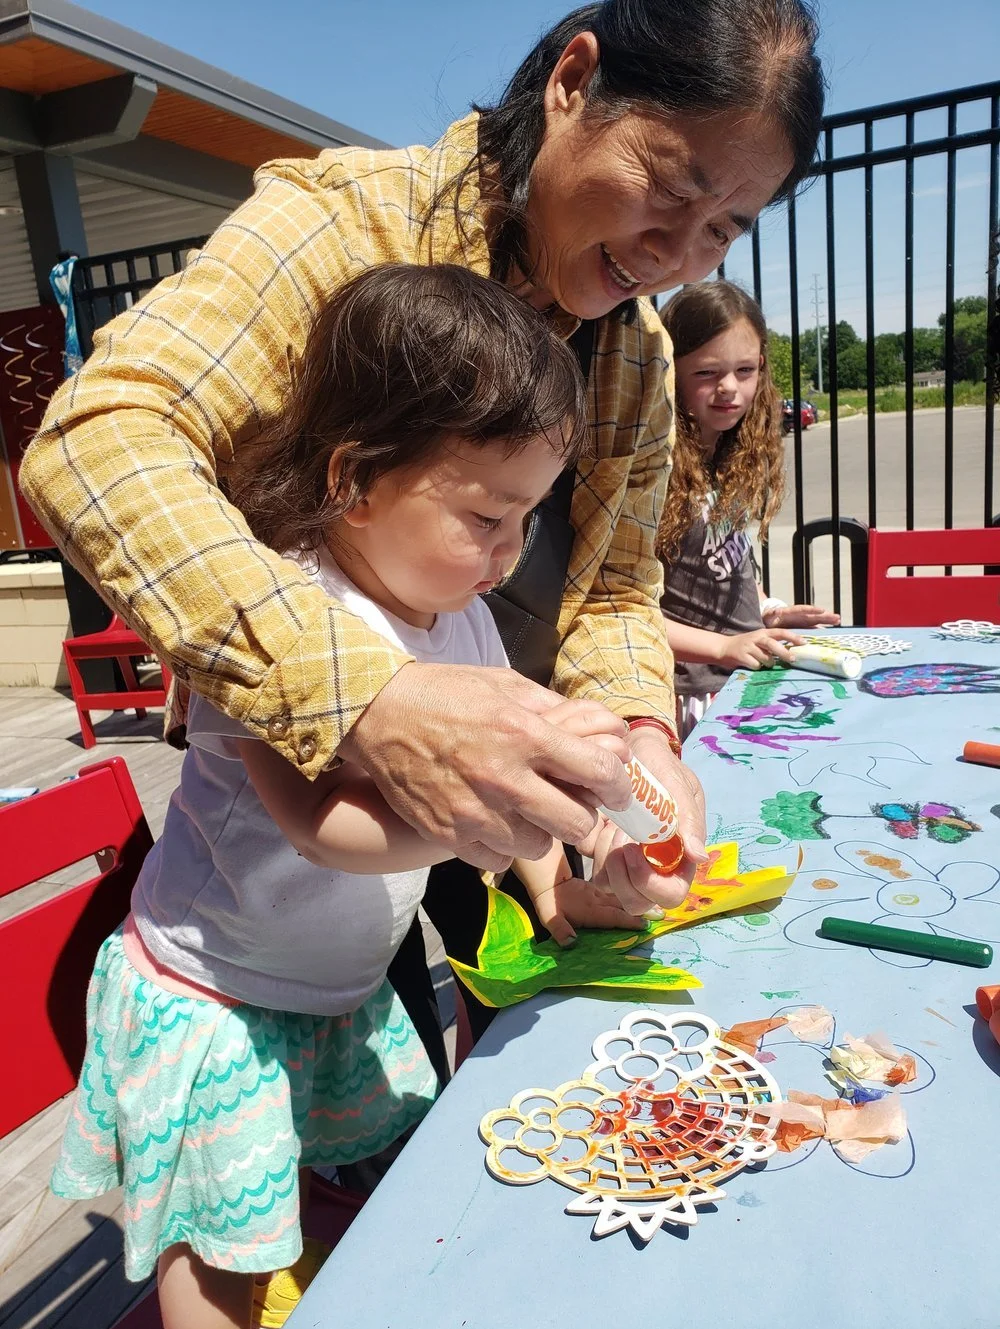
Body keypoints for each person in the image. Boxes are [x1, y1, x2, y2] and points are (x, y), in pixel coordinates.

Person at [20, 1, 827, 930]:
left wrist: (643, 743)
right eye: (674, 189)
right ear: (573, 84)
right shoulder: (340, 227)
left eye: (724, 229)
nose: (677, 257)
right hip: (303, 801)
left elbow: (611, 590)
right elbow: (99, 437)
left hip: (516, 774)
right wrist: (373, 699)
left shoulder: (639, 354)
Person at [49, 265, 644, 1329]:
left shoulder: (460, 614)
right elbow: (322, 826)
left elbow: (504, 780)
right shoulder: (278, 613)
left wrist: (555, 880)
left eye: (527, 515)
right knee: (219, 1249)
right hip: (216, 993)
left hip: (333, 986)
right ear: (356, 480)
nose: (510, 551)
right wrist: (481, 823)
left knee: (356, 1194)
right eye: (485, 514)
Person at [657, 280, 840, 736]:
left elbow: (727, 562)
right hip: (687, 694)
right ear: (669, 371)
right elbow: (626, 609)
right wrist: (724, 647)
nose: (729, 388)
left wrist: (770, 610)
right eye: (706, 373)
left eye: (744, 370)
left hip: (741, 677)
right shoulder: (655, 470)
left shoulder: (727, 455)